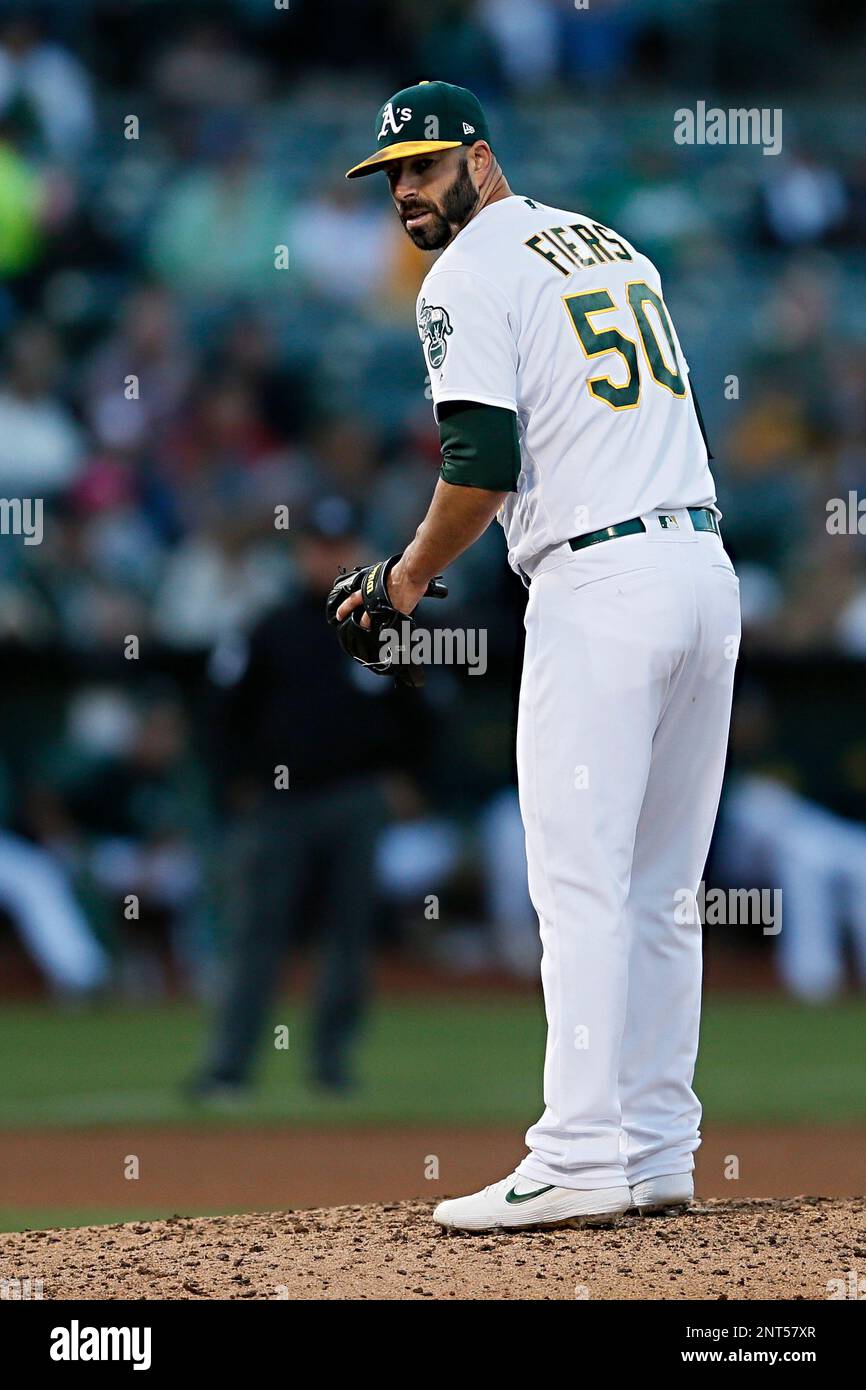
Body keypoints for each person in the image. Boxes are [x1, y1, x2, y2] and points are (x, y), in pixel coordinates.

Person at [338, 82, 740, 1230]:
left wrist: (402, 580)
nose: (407, 193)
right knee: (660, 891)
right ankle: (659, 1145)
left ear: (480, 157)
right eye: (392, 177)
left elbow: (480, 461)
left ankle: (574, 1154)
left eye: (422, 167)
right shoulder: (610, 244)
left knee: (579, 886)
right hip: (699, 570)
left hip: (599, 584)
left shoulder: (465, 271)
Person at [191, 497, 423, 1100]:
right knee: (255, 935)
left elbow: (421, 711)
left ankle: (331, 1065)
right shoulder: (269, 627)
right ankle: (229, 1066)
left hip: (355, 798)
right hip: (278, 804)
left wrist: (402, 774)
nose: (329, 557)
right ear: (301, 553)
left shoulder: (384, 627)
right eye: (319, 546)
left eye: (340, 546)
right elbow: (220, 714)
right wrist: (236, 783)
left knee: (348, 936)